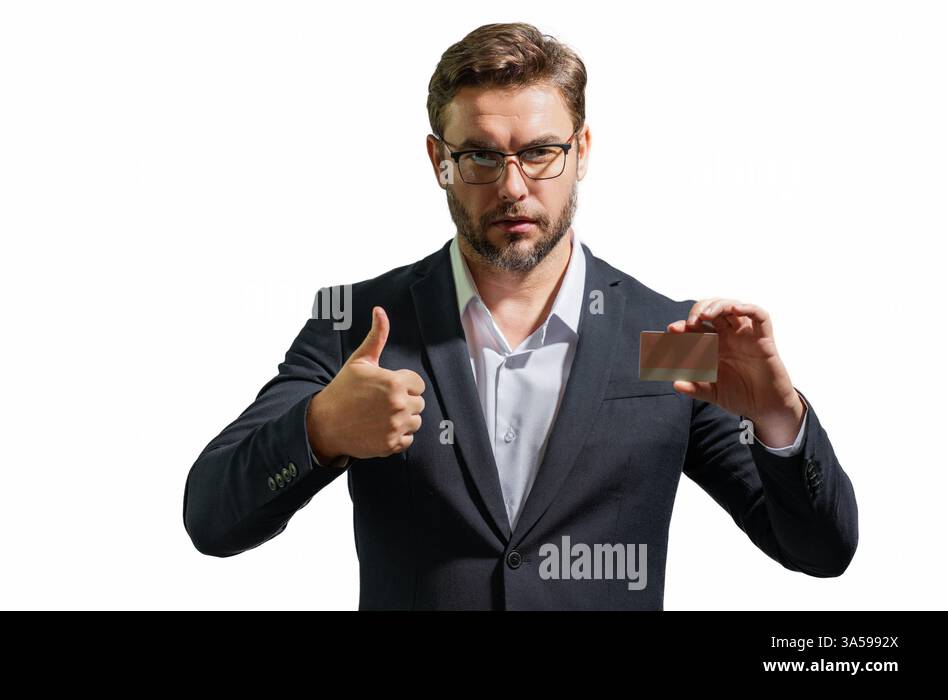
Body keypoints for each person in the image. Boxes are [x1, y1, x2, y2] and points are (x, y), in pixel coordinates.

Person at [182, 22, 858, 610]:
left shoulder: (665, 340)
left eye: (539, 152)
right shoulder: (358, 326)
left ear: (582, 151)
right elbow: (211, 518)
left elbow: (820, 553)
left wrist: (778, 420)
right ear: (438, 162)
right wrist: (322, 428)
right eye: (479, 155)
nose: (512, 187)